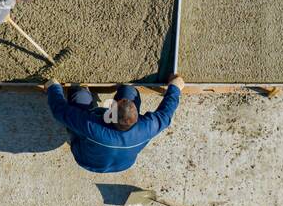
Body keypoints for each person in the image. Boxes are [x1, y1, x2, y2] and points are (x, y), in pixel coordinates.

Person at [45, 74, 183, 172]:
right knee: (128, 90)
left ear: (110, 115)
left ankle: (81, 92)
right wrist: (175, 88)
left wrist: (53, 88)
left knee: (80, 94)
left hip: (86, 159)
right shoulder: (145, 128)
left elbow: (60, 111)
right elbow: (165, 115)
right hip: (123, 164)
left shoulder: (92, 126)